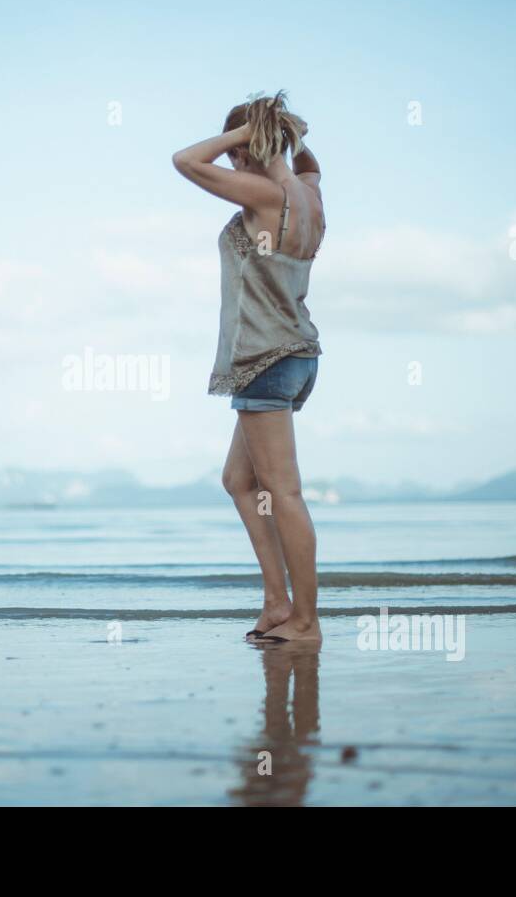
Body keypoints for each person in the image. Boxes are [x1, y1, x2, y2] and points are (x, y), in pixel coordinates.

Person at [171, 90, 326, 644]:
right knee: (240, 481)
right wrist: (287, 137)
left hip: (267, 357)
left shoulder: (264, 195)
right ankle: (277, 601)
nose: (232, 162)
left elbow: (186, 161)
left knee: (283, 492)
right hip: (295, 356)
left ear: (251, 147)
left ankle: (306, 622)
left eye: (240, 150)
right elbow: (311, 166)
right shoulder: (308, 196)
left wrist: (247, 134)